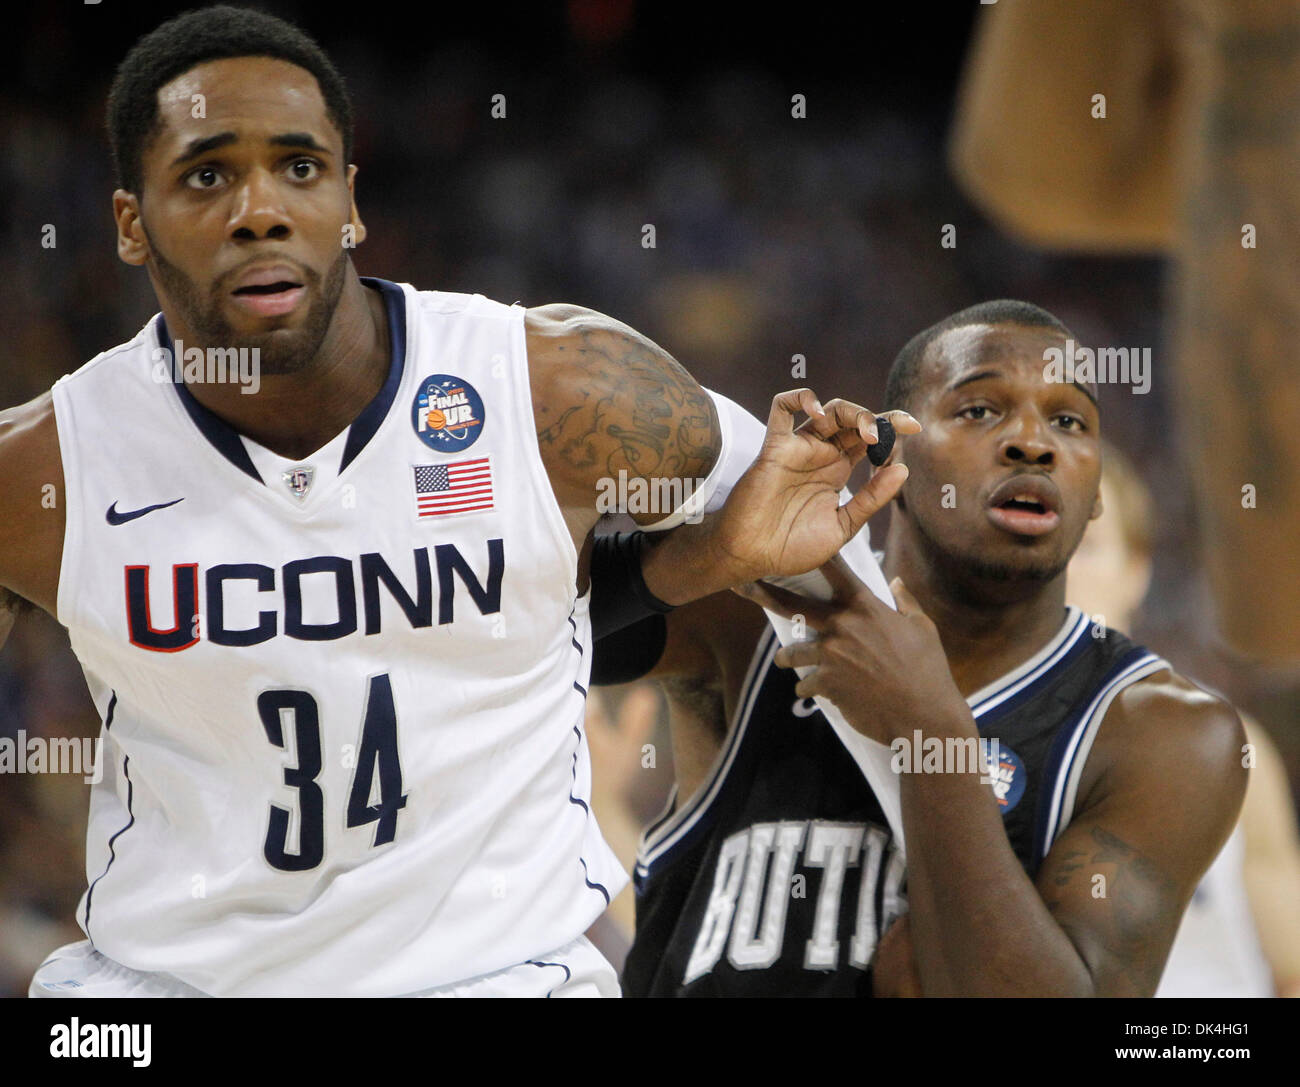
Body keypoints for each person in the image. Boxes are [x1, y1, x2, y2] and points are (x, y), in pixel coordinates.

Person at [0, 6, 909, 998]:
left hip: (500, 977)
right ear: (131, 223)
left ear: (349, 200)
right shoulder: (44, 471)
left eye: (299, 167)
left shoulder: (556, 387)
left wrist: (961, 841)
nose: (260, 208)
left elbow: (836, 569)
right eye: (207, 173)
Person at [593, 300, 1246, 996]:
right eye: (979, 410)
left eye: (1068, 420)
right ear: (891, 455)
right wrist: (708, 548)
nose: (1033, 441)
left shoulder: (1164, 733)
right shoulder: (753, 613)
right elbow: (512, 620)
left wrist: (931, 726)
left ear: (1095, 503)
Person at [1066, 442, 1300, 998]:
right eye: (1044, 541)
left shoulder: (1230, 743)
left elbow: (1293, 967)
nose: (1064, 569)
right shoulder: (960, 746)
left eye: (1089, 545)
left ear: (1137, 570)